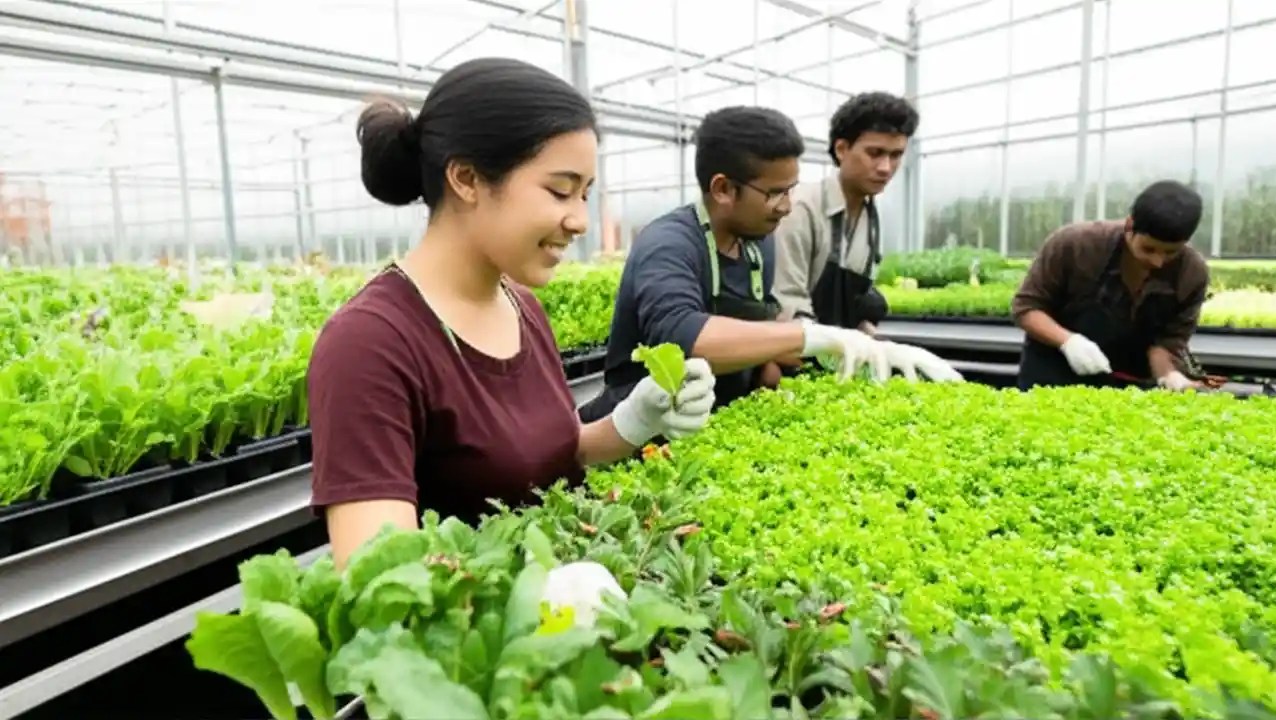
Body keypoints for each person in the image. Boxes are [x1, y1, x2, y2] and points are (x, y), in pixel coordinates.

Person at [306, 58, 717, 569]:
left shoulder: (521, 306)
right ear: (467, 178)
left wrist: (636, 418)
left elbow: (546, 455)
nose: (579, 220)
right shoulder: (370, 344)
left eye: (585, 193)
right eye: (560, 190)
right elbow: (382, 583)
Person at [578, 106, 960, 424]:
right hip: (639, 435)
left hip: (711, 423)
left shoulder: (758, 244)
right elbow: (683, 336)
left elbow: (760, 332)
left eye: (790, 189)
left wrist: (858, 351)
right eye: (775, 193)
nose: (787, 205)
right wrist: (815, 337)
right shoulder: (669, 243)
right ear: (723, 189)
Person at [1011, 179, 1209, 392]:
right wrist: (1069, 342)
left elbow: (1168, 340)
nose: (1158, 261)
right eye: (1148, 249)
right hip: (1053, 373)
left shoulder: (1191, 274)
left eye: (1171, 252)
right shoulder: (1076, 245)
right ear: (1129, 225)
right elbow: (1026, 307)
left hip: (1127, 381)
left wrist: (1168, 375)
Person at [774, 92, 918, 338]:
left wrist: (874, 342)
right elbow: (787, 306)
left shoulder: (869, 219)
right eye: (875, 153)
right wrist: (843, 346)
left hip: (834, 353)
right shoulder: (801, 209)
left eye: (896, 156)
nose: (886, 168)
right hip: (793, 350)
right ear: (841, 149)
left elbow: (851, 305)